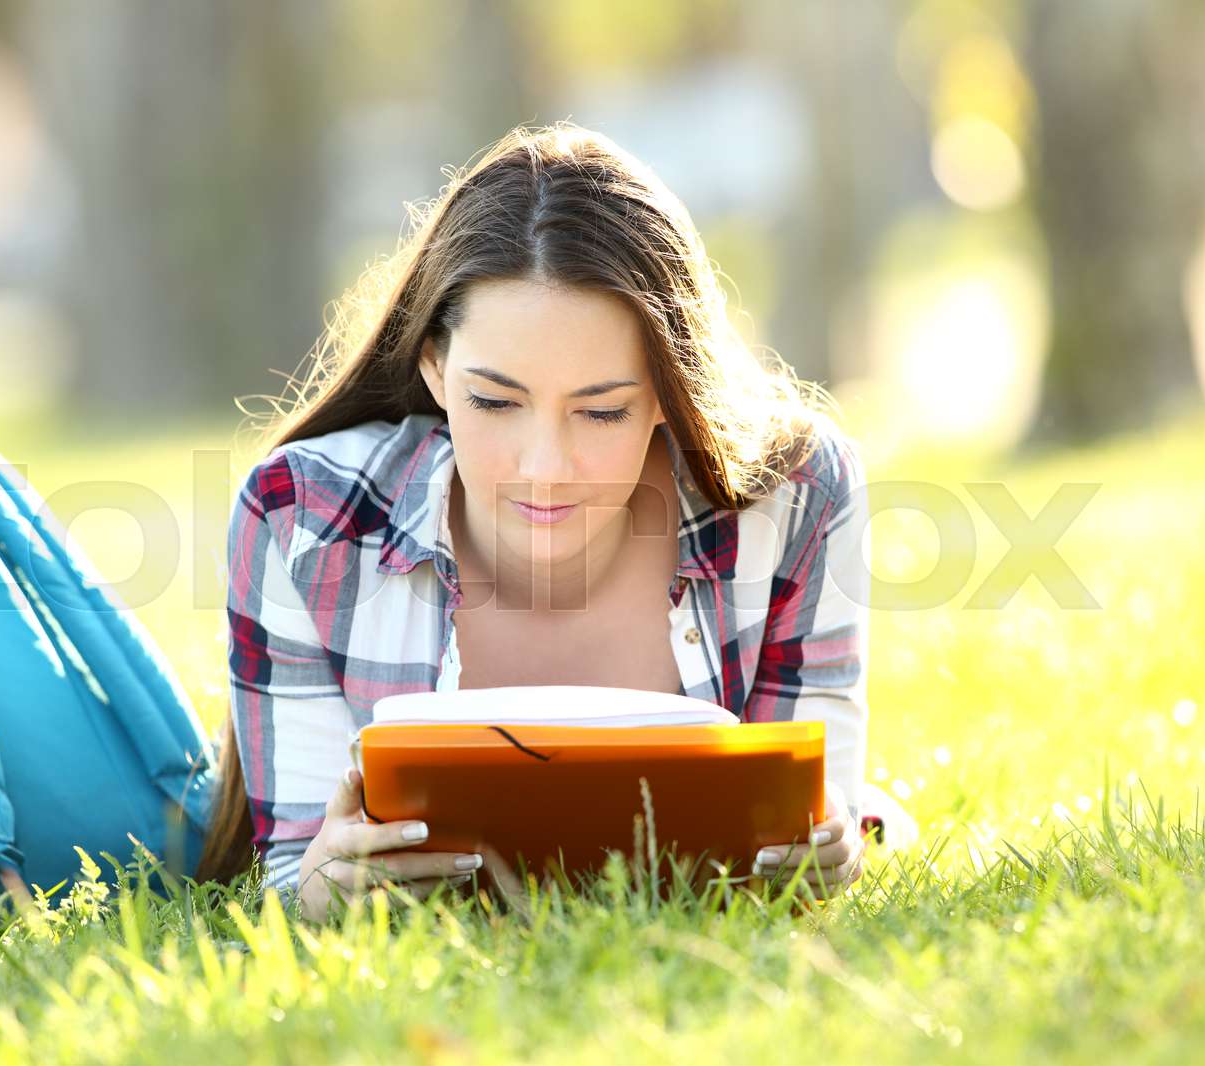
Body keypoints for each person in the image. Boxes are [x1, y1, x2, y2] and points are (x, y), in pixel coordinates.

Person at [194, 122, 874, 922]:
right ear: (434, 365)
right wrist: (323, 886)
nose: (544, 466)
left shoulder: (795, 491)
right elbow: (290, 872)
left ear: (667, 390)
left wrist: (830, 851)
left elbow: (807, 833)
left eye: (602, 412)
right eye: (495, 402)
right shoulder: (300, 514)